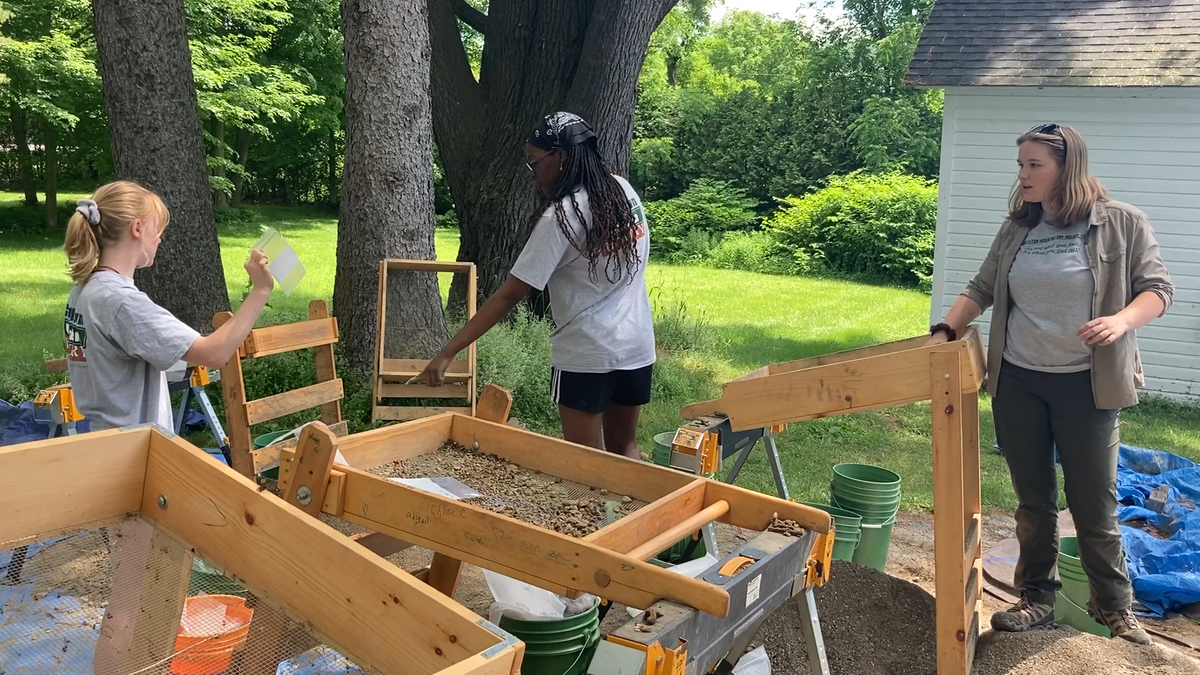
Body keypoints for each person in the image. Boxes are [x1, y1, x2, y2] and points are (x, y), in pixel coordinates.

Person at [928, 124, 1173, 644]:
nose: (1022, 174)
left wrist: (1121, 321)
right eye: (1020, 164)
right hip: (1018, 381)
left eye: (1034, 165)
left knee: (1093, 503)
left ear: (1067, 167)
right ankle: (1037, 599)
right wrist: (946, 329)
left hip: (1088, 385)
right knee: (1033, 501)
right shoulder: (1018, 227)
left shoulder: (1121, 222)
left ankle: (1115, 609)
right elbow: (982, 287)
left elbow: (1157, 289)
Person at [414, 112, 655, 458]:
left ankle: (601, 498)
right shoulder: (622, 191)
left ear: (561, 157)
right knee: (625, 448)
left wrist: (447, 353)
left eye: (534, 162)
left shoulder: (561, 216)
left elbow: (509, 295)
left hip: (586, 354)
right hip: (636, 347)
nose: (533, 174)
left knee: (584, 463)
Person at [62, 180, 276, 432]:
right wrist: (261, 290)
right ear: (137, 228)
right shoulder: (121, 301)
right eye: (157, 229)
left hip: (106, 439)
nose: (160, 238)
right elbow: (214, 353)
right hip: (135, 445)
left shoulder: (84, 291)